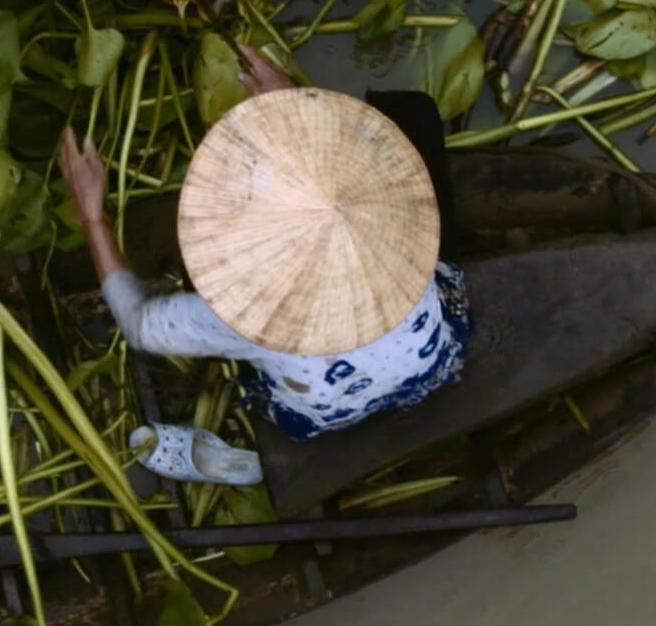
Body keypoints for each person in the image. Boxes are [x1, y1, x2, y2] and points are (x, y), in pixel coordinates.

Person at [57, 45, 473, 441]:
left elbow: (140, 326)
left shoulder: (247, 317)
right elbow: (335, 177)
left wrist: (92, 216)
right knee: (415, 113)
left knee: (202, 283)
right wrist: (296, 102)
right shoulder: (398, 210)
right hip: (434, 364)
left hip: (319, 416)